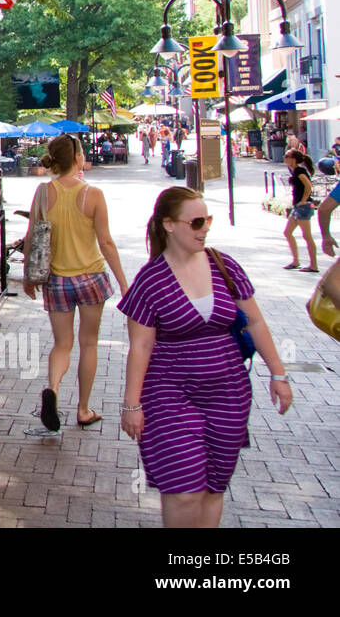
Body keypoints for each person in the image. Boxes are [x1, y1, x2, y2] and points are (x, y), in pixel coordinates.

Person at [119, 187, 292, 527]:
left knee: (213, 488)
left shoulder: (223, 265)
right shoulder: (150, 281)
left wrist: (278, 374)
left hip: (228, 392)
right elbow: (140, 346)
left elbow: (255, 321)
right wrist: (131, 404)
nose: (205, 228)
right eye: (196, 221)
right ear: (168, 225)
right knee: (183, 491)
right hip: (169, 394)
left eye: (208, 219)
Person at [23, 135, 129, 431]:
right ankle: (83, 408)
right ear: (79, 158)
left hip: (56, 280)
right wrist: (123, 282)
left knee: (62, 344)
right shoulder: (92, 194)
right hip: (91, 277)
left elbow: (32, 234)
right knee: (89, 342)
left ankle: (53, 389)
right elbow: (105, 242)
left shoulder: (44, 193)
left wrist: (29, 277)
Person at [282, 149, 319, 272]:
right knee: (287, 232)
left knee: (307, 236)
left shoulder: (299, 171)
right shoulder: (294, 171)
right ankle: (295, 261)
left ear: (293, 159)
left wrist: (303, 200)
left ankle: (313, 265)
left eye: (287, 156)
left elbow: (308, 186)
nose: (284, 157)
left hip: (303, 206)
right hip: (297, 207)